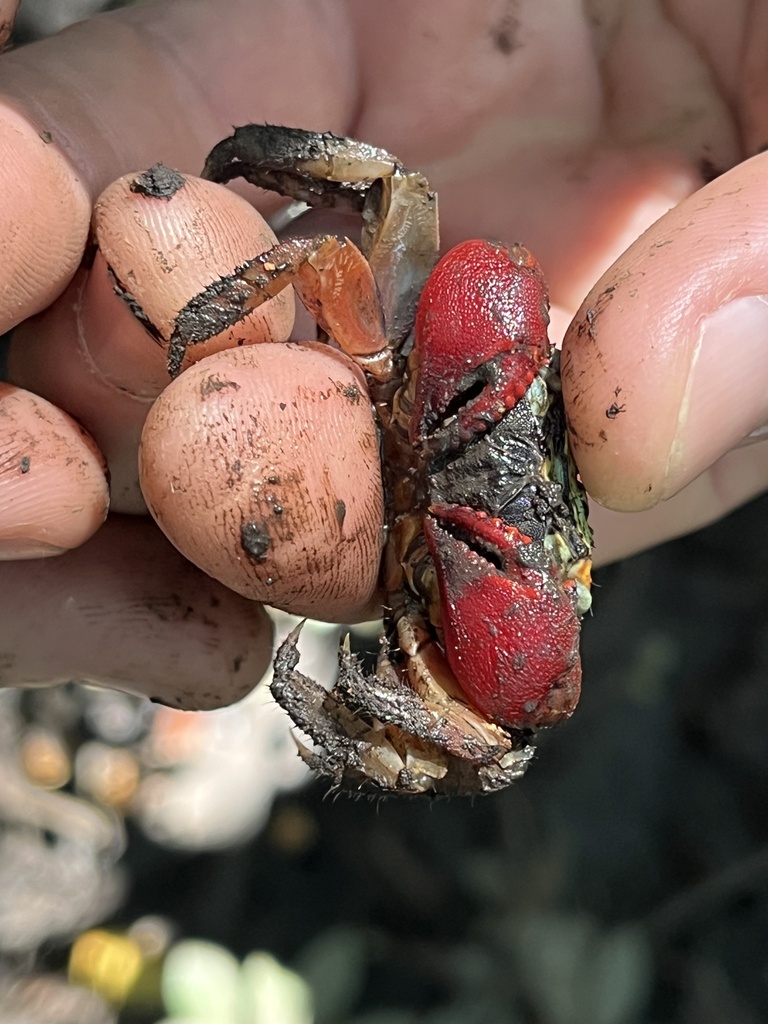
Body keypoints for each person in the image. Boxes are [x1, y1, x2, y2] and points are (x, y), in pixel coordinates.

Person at [0, 0, 766, 707]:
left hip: (435, 527)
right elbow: (352, 227)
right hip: (401, 375)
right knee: (386, 203)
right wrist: (208, 316)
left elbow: (500, 729)